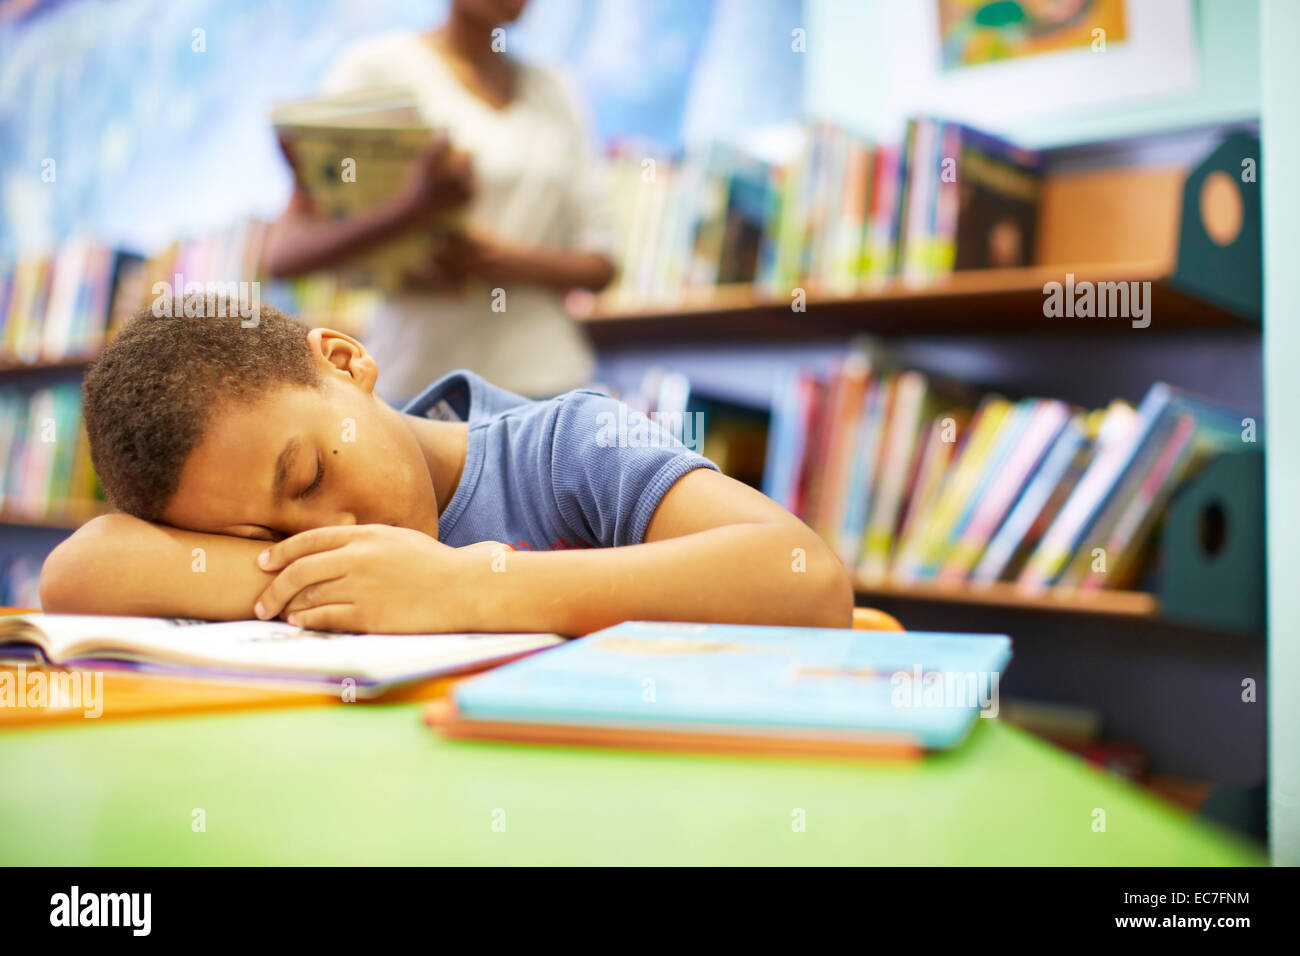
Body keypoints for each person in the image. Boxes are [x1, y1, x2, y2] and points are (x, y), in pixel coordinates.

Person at [39, 304, 852, 634]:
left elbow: (804, 576)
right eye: (266, 538)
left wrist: (460, 587)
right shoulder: (307, 538)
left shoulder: (568, 445)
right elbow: (76, 571)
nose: (335, 538)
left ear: (347, 360)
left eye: (312, 477)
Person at [264, 0, 616, 404]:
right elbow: (285, 254)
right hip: (420, 387)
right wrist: (415, 209)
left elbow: (601, 262)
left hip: (549, 386)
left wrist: (498, 261)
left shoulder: (556, 91)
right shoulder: (376, 70)